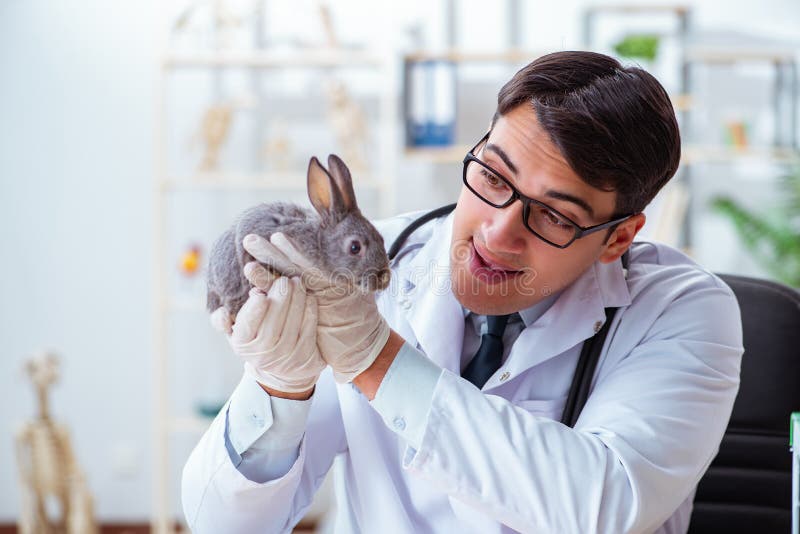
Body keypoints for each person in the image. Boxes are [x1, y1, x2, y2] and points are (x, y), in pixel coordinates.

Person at [182, 51, 743, 534]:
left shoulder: (684, 312)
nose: (499, 231)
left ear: (617, 237)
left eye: (552, 215)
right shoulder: (376, 268)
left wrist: (376, 358)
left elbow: (602, 506)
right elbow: (224, 522)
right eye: (494, 178)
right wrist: (279, 390)